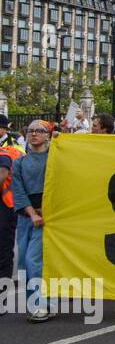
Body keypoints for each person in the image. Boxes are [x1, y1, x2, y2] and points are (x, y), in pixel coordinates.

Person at [11, 121, 50, 321]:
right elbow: (17, 189)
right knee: (24, 263)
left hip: (48, 218)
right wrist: (32, 213)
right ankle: (34, 303)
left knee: (34, 260)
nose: (34, 134)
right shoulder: (19, 162)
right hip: (26, 218)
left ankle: (42, 304)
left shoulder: (55, 160)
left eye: (39, 130)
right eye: (30, 130)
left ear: (47, 135)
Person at [0, 127, 22, 280]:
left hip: (5, 209)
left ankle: (2, 295)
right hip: (6, 208)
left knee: (3, 252)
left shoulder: (4, 156)